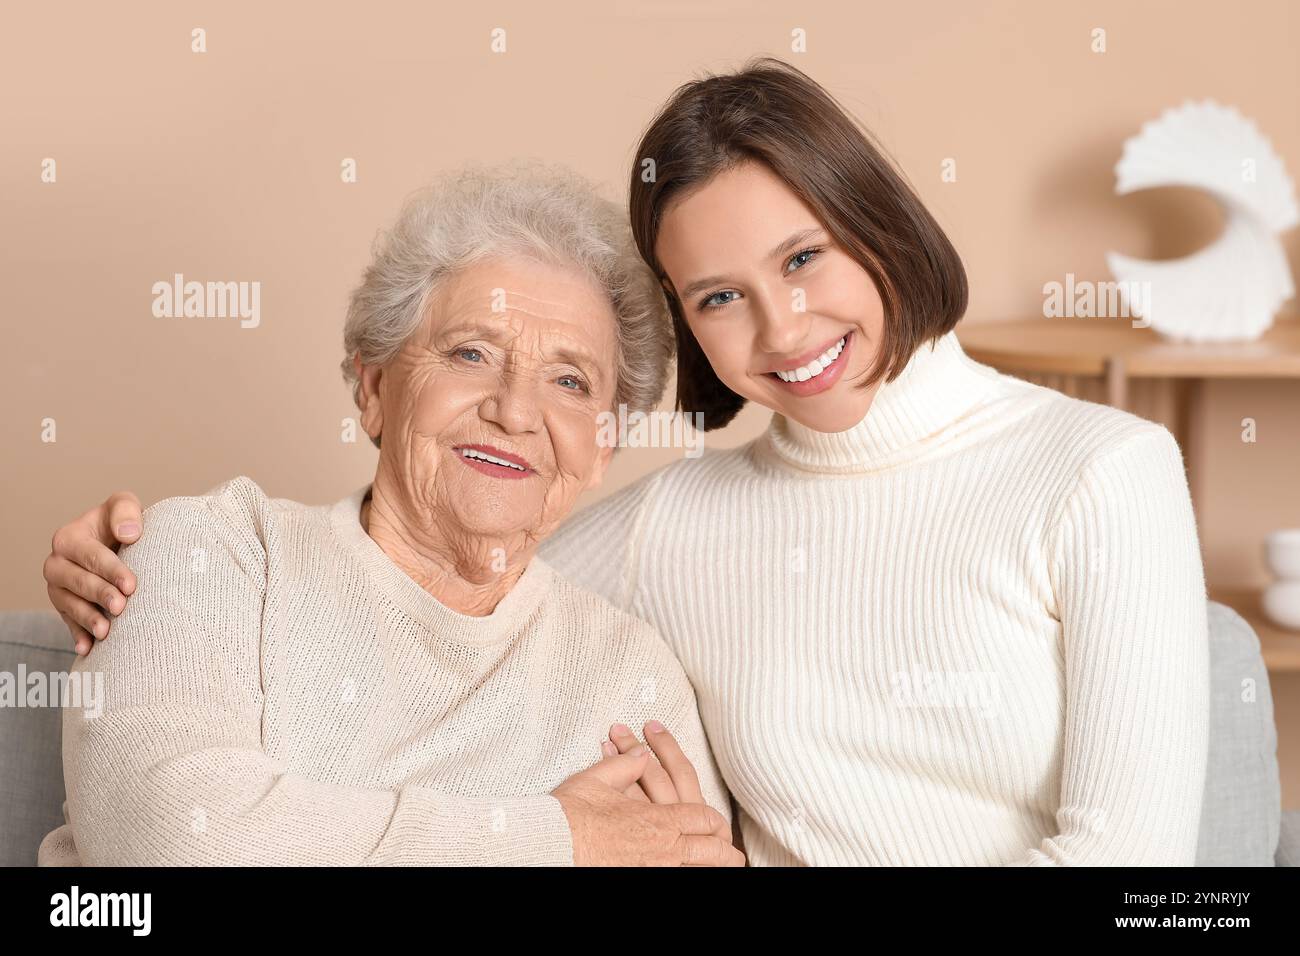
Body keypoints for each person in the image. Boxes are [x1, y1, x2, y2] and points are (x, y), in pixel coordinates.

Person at [44, 59, 1209, 866]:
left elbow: (1142, 879)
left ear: (876, 219)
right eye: (719, 296)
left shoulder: (1101, 470)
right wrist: (139, 568)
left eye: (805, 255)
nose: (785, 326)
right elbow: (462, 561)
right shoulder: (663, 530)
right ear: (370, 378)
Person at [37, 162, 740, 867]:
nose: (515, 410)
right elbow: (175, 841)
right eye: (471, 353)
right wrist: (562, 839)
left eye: (569, 381)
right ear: (374, 388)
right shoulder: (211, 552)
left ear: (601, 448)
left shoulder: (628, 675)